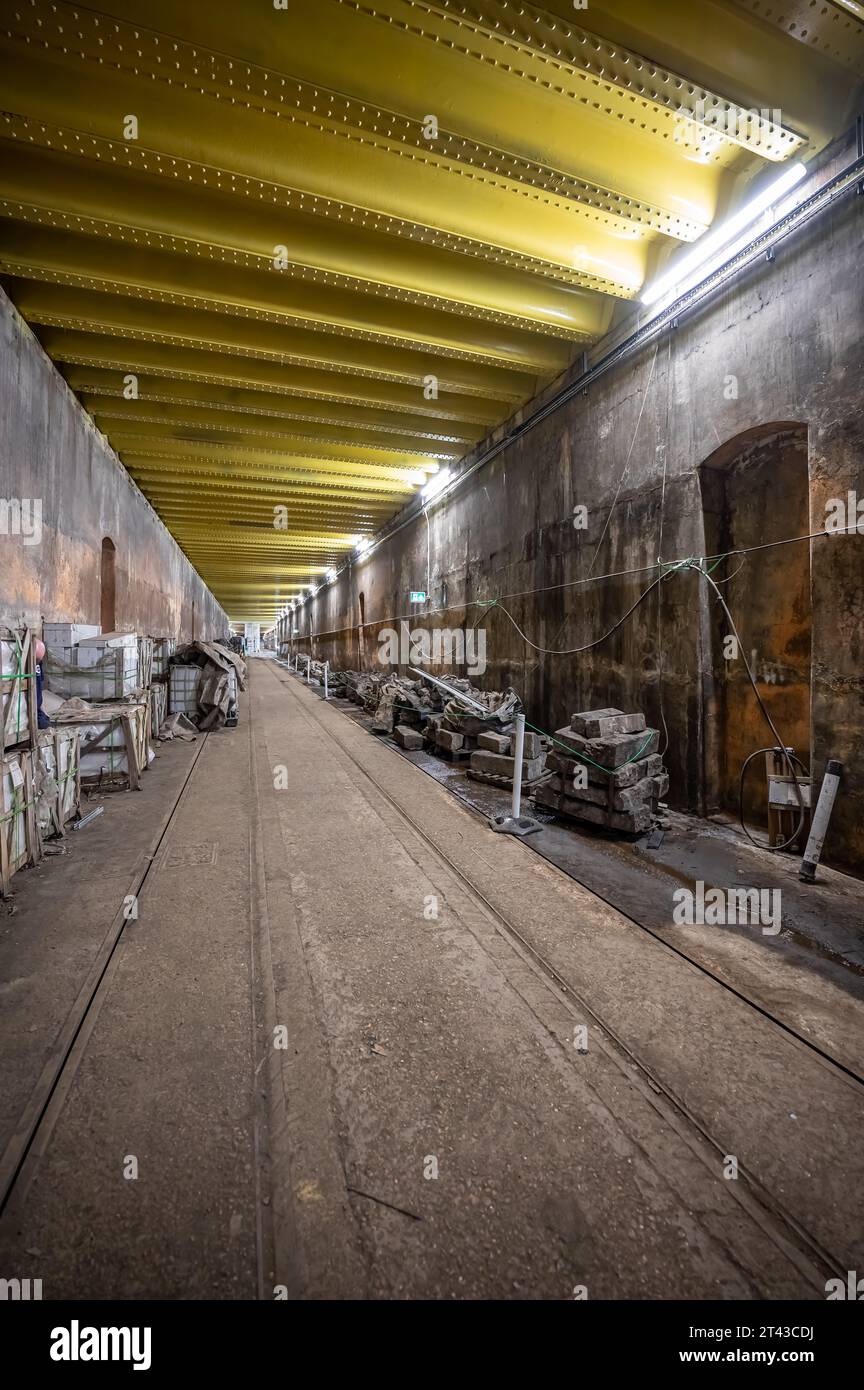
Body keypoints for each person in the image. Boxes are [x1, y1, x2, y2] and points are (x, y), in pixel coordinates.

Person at [34, 637, 51, 728]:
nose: (38, 661)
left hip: (37, 709)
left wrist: (44, 710)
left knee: (47, 721)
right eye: (36, 660)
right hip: (30, 710)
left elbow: (39, 690)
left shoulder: (38, 665)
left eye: (39, 660)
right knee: (42, 724)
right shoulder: (25, 668)